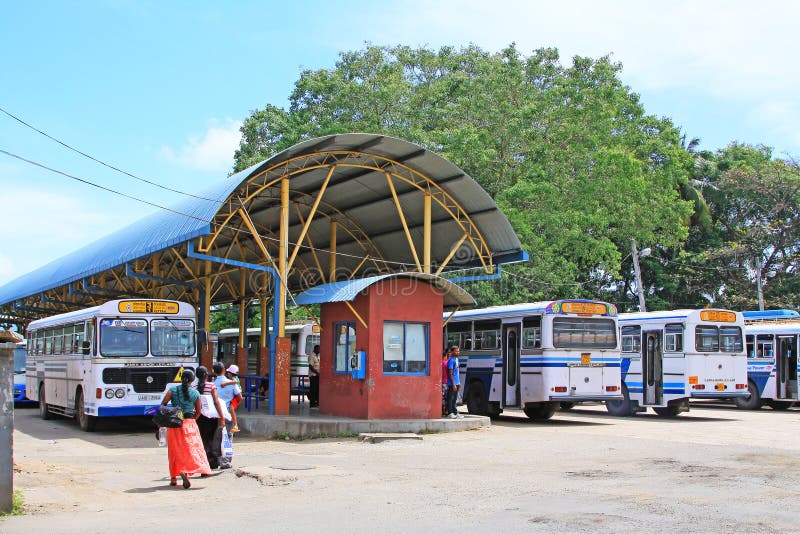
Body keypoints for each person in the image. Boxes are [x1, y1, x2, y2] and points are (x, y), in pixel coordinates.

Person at [159, 369, 212, 488]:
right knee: (190, 450)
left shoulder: (172, 390)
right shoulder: (195, 393)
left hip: (174, 424)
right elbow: (198, 411)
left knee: (174, 451)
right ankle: (186, 472)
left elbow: (163, 405)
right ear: (193, 380)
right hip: (189, 423)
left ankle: (173, 478)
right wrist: (192, 421)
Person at [193, 366, 226, 469]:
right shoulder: (211, 386)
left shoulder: (193, 387)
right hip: (211, 418)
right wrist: (222, 416)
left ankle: (202, 461)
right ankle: (212, 462)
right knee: (212, 439)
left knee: (202, 439)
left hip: (199, 417)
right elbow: (216, 402)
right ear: (206, 375)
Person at [446, 345, 463, 419]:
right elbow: (450, 373)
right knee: (450, 398)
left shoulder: (456, 360)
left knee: (455, 398)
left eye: (458, 351)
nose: (458, 352)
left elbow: (457, 372)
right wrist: (453, 384)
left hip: (456, 382)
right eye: (456, 351)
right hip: (452, 383)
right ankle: (450, 413)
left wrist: (458, 383)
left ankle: (455, 412)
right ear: (452, 352)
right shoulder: (451, 360)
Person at [441, 347, 451, 416]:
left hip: (443, 382)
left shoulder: (441, 363)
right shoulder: (447, 363)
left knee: (443, 397)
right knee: (446, 397)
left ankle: (443, 410)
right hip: (446, 381)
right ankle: (446, 410)